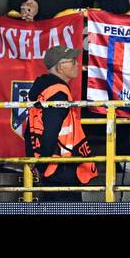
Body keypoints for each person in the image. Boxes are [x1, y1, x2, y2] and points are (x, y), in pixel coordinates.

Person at [25, 44, 96, 200]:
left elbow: (29, 129)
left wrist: (35, 160)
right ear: (60, 67)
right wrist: (42, 165)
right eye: (73, 61)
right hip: (61, 168)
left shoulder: (44, 90)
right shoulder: (58, 93)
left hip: (53, 166)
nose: (77, 64)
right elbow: (51, 132)